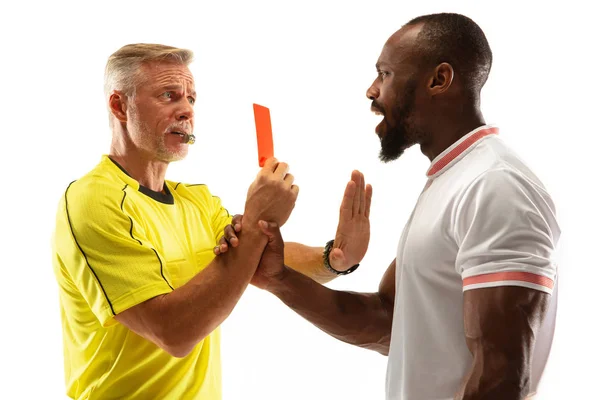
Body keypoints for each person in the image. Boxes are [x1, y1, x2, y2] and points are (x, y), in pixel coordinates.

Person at [219, 12, 561, 400]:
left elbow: (502, 379)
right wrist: (279, 277)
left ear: (439, 80)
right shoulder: (454, 179)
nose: (371, 90)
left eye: (385, 74)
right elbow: (390, 322)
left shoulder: (494, 185)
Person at [50, 43, 371, 399]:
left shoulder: (198, 201)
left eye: (191, 98)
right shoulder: (93, 200)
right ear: (119, 106)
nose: (186, 110)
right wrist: (256, 221)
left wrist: (335, 258)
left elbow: (263, 265)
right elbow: (173, 333)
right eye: (169, 95)